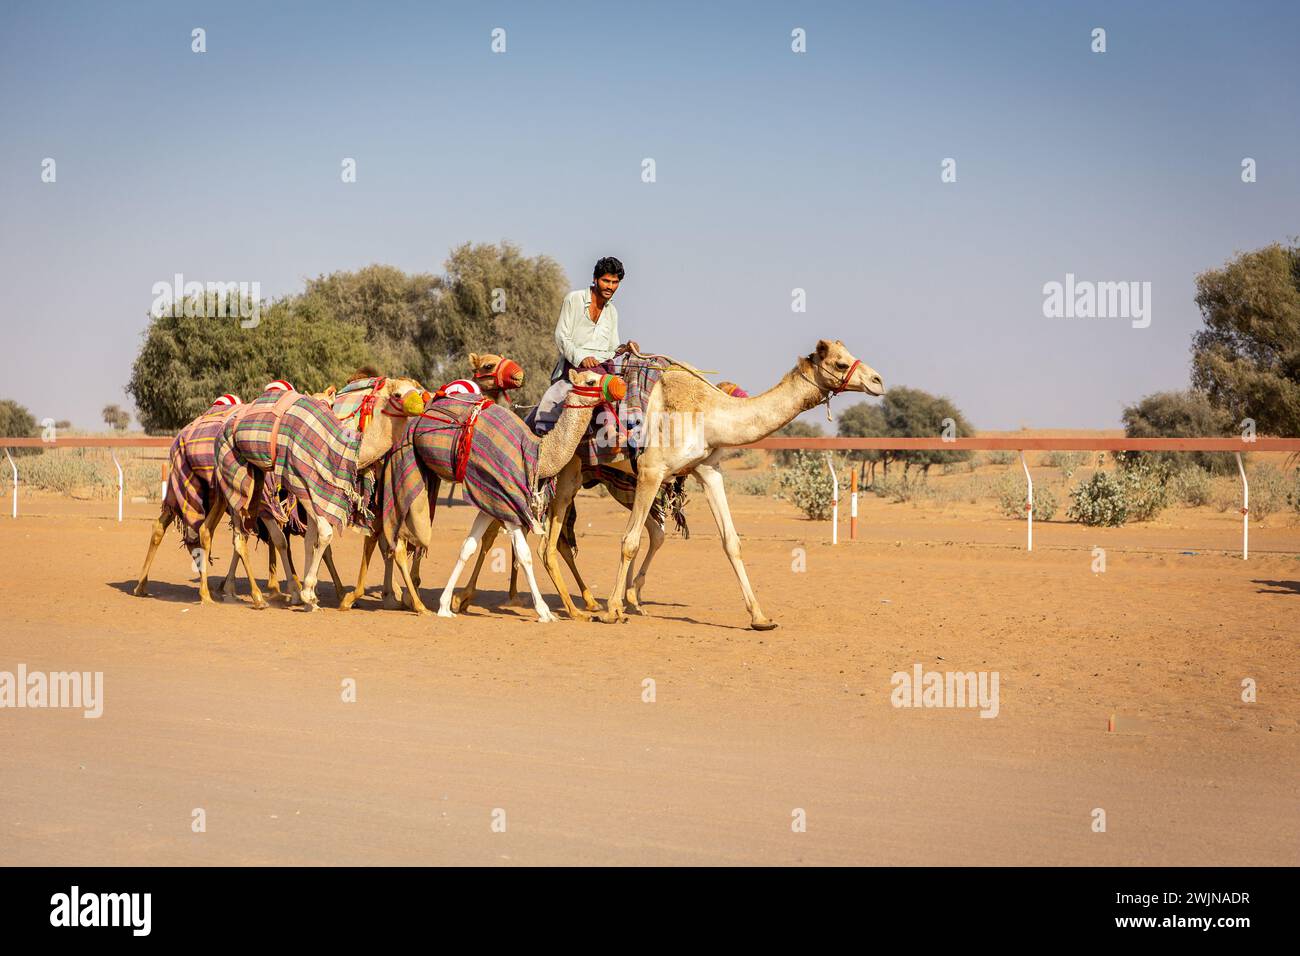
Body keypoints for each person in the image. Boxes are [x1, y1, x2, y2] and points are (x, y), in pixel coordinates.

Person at [550, 256, 638, 382]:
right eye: (606, 281)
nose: (610, 287)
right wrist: (581, 358)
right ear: (595, 279)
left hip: (603, 367)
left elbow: (612, 349)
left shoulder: (612, 311)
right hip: (574, 366)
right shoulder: (574, 299)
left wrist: (625, 349)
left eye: (615, 282)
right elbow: (561, 337)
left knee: (643, 367)